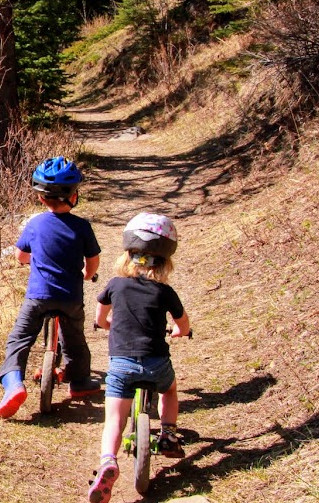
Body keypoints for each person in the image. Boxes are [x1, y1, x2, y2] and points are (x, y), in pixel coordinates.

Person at [87, 212, 191, 503]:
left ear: (127, 256)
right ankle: (168, 433)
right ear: (165, 262)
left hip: (121, 364)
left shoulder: (115, 286)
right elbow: (183, 325)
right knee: (169, 389)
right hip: (156, 362)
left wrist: (107, 326)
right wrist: (179, 332)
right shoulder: (165, 291)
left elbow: (99, 316)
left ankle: (108, 460)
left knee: (114, 421)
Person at [0, 156, 103, 419]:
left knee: (19, 339)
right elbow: (93, 262)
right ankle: (78, 383)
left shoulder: (35, 224)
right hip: (71, 297)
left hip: (38, 296)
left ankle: (13, 385)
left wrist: (37, 259)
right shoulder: (82, 227)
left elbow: (21, 256)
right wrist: (88, 275)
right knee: (75, 339)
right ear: (74, 196)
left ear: (41, 198)